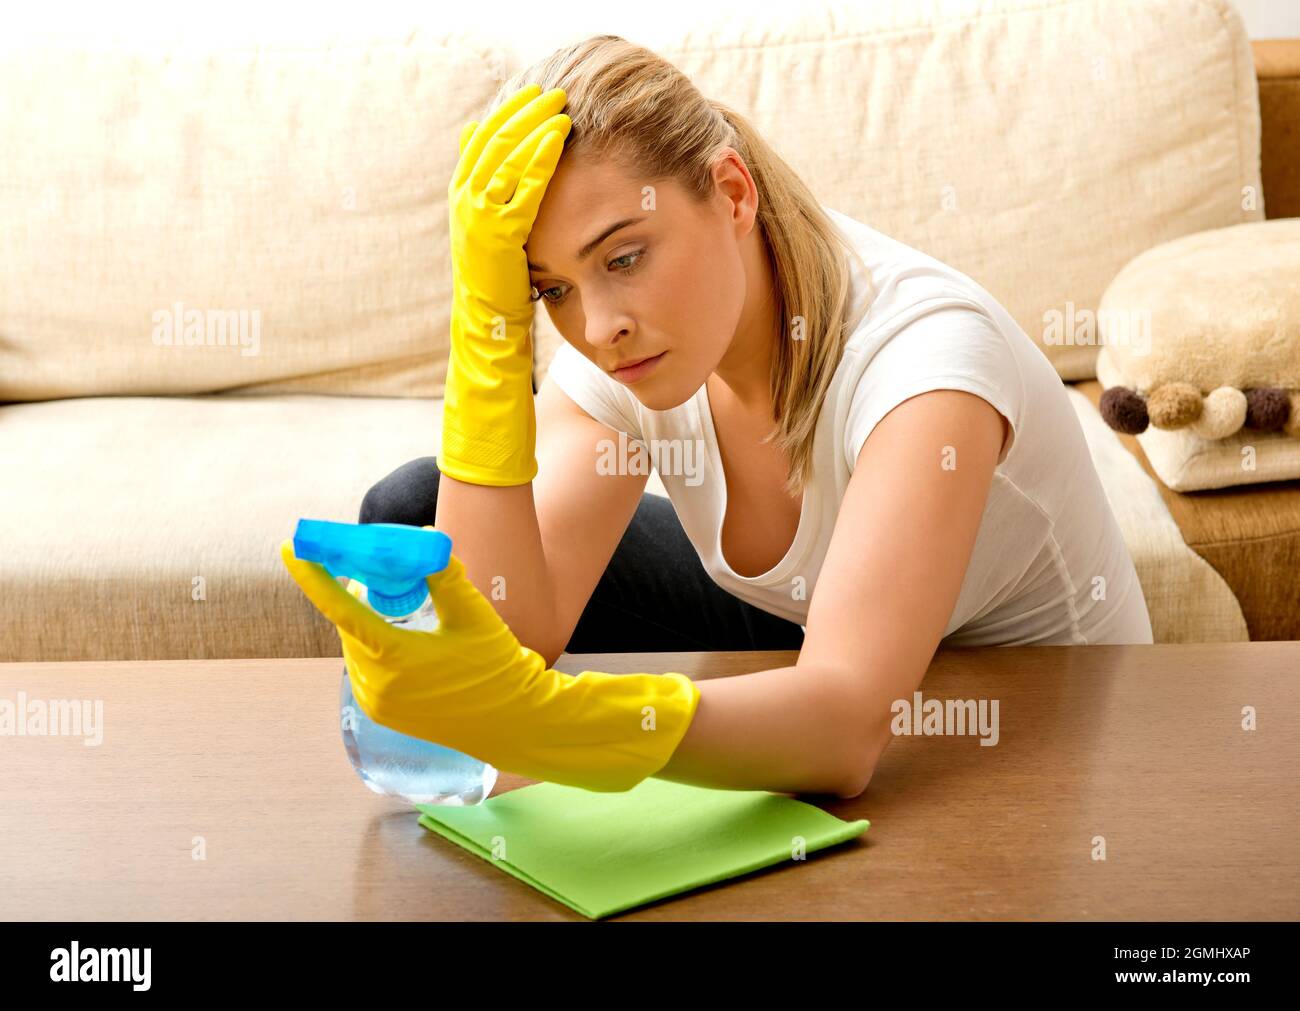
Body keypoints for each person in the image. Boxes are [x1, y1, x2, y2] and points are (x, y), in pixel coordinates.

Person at [281, 35, 1153, 801]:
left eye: (625, 257)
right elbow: (510, 631)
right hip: (808, 631)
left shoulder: (926, 364)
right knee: (416, 506)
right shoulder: (631, 336)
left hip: (1015, 709)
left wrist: (553, 725)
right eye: (552, 288)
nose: (596, 326)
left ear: (732, 194)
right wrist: (485, 333)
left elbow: (846, 730)